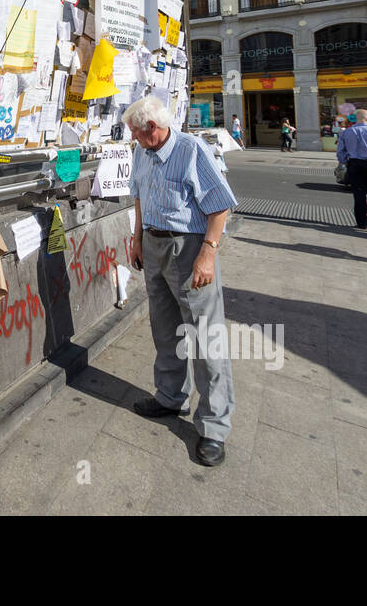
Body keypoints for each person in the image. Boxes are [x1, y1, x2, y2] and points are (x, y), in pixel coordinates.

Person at [124, 95, 239, 468]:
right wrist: (138, 237)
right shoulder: (142, 153)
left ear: (152, 129)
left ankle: (213, 428)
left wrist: (208, 253)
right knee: (165, 328)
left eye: (136, 134)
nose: (133, 140)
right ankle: (171, 397)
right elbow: (139, 195)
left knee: (206, 338)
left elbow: (220, 204)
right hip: (155, 246)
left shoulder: (192, 151)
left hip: (189, 248)